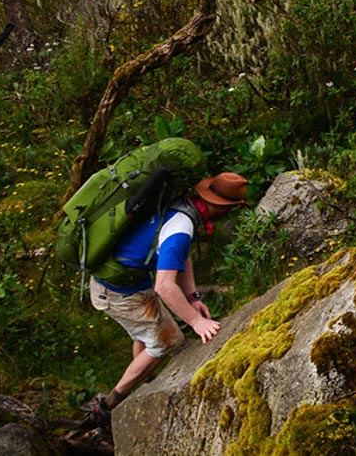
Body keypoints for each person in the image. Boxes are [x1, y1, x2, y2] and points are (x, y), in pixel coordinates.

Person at [83, 171, 249, 427]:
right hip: (119, 293)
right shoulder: (182, 227)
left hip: (120, 281)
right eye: (230, 208)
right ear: (219, 205)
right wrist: (196, 322)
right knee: (169, 341)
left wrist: (193, 297)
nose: (230, 212)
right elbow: (164, 286)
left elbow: (182, 257)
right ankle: (109, 406)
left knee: (146, 333)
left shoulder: (181, 206)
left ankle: (145, 380)